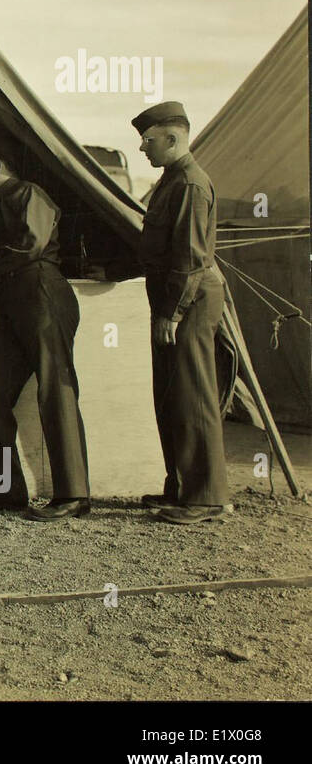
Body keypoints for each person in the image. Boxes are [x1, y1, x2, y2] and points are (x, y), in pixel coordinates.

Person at [0, 142, 90, 520]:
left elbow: (33, 244)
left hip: (41, 293)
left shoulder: (27, 193)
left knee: (56, 389)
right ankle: (3, 490)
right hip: (14, 303)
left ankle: (73, 495)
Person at [133, 101, 228, 524]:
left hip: (187, 298)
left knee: (194, 394)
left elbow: (189, 258)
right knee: (172, 396)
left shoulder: (189, 183)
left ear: (172, 139)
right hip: (173, 298)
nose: (141, 149)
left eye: (148, 140)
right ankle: (182, 487)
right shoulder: (171, 181)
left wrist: (172, 314)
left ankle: (207, 497)